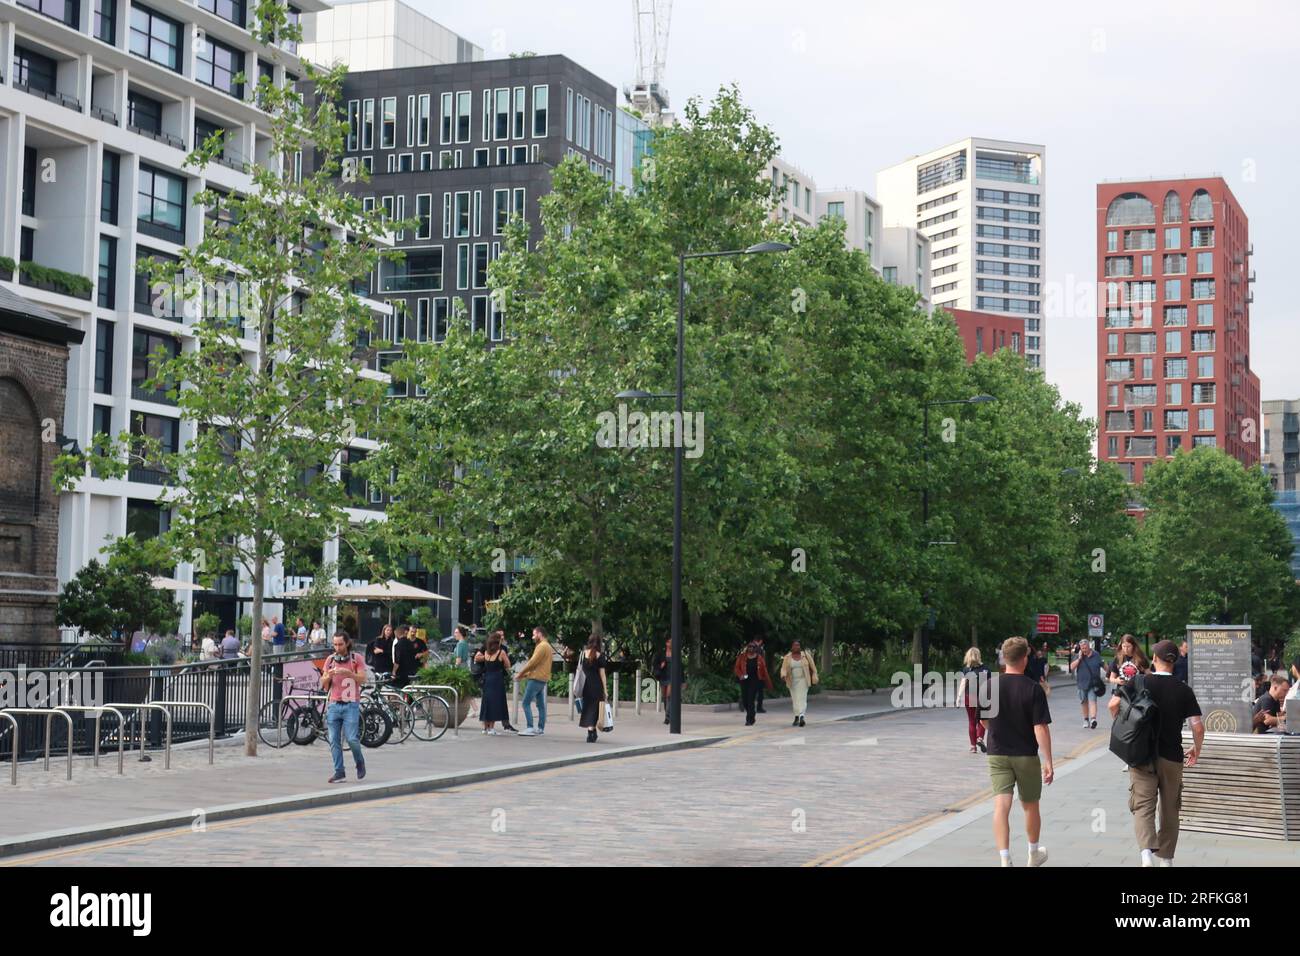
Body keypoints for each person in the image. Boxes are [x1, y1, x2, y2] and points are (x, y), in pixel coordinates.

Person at [1108, 640, 1204, 867]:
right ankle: (1167, 860)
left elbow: (1113, 705)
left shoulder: (1139, 681)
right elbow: (1197, 726)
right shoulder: (1184, 690)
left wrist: (1125, 724)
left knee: (1143, 805)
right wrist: (1197, 749)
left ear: (1154, 658)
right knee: (1170, 808)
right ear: (1175, 662)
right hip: (1171, 756)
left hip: (1141, 755)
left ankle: (1145, 856)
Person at [981, 636, 1053, 867]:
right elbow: (1040, 727)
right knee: (1030, 805)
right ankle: (1033, 854)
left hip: (997, 753)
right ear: (1025, 658)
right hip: (1025, 755)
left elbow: (983, 721)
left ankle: (1005, 858)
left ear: (1004, 658)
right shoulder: (1033, 688)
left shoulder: (989, 686)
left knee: (1001, 806)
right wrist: (1048, 761)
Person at [320, 631, 368, 784]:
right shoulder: (330, 660)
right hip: (334, 704)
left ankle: (359, 762)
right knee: (334, 740)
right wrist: (327, 676)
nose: (337, 647)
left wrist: (349, 673)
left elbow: (362, 679)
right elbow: (324, 683)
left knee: (352, 739)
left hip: (351, 704)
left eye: (340, 644)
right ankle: (339, 771)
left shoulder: (356, 659)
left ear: (347, 643)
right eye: (335, 644)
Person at [517, 626, 554, 736]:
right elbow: (540, 664)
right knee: (540, 705)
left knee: (525, 703)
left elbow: (533, 662)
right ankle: (540, 728)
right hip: (542, 678)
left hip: (536, 678)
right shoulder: (547, 646)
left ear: (539, 634)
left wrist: (521, 673)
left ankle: (530, 727)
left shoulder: (541, 646)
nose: (533, 637)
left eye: (534, 634)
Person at [474, 632, 512, 735]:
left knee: (486, 702)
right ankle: (491, 728)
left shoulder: (486, 652)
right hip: (497, 679)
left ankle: (485, 728)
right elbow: (508, 665)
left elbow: (478, 658)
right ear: (498, 641)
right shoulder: (501, 652)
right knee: (495, 703)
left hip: (487, 678)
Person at [957, 647, 990, 754]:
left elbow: (963, 684)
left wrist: (958, 697)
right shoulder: (986, 669)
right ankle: (980, 737)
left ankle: (973, 747)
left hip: (969, 697)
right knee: (982, 719)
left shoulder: (967, 669)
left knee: (972, 721)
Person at [778, 640, 818, 727]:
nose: (797, 647)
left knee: (802, 698)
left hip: (803, 680)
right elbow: (783, 668)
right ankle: (797, 716)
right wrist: (783, 675)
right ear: (792, 647)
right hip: (792, 681)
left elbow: (813, 667)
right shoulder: (787, 657)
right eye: (795, 645)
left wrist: (815, 675)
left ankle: (802, 716)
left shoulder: (806, 655)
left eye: (798, 645)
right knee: (795, 699)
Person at [576, 635, 608, 743]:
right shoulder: (600, 656)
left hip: (585, 685)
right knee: (595, 709)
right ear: (599, 643)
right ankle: (591, 732)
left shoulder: (582, 654)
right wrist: (605, 690)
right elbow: (602, 675)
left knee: (588, 708)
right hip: (596, 686)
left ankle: (592, 733)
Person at [733, 641, 773, 726]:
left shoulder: (759, 658)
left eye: (752, 647)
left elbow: (764, 670)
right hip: (744, 681)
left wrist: (767, 681)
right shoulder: (742, 657)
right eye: (749, 647)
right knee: (745, 701)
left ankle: (749, 719)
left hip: (755, 681)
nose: (751, 648)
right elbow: (737, 668)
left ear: (755, 649)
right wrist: (740, 675)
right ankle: (752, 713)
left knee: (750, 700)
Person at [1069, 638, 1104, 729]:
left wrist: (1109, 674)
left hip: (1093, 683)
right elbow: (1072, 667)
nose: (1084, 649)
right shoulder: (1078, 656)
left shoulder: (1096, 655)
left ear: (1089, 646)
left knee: (1092, 701)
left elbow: (1103, 665)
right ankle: (1085, 719)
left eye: (1085, 647)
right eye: (1082, 648)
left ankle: (1093, 719)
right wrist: (1079, 659)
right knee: (1084, 702)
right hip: (1082, 683)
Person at [651, 638, 682, 725]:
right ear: (666, 643)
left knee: (669, 696)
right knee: (664, 697)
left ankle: (668, 716)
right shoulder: (661, 653)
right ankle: (667, 715)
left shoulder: (676, 653)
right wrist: (661, 666)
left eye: (672, 642)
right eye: (670, 642)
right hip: (663, 677)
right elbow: (655, 664)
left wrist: (682, 681)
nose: (671, 643)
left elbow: (680, 667)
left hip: (672, 678)